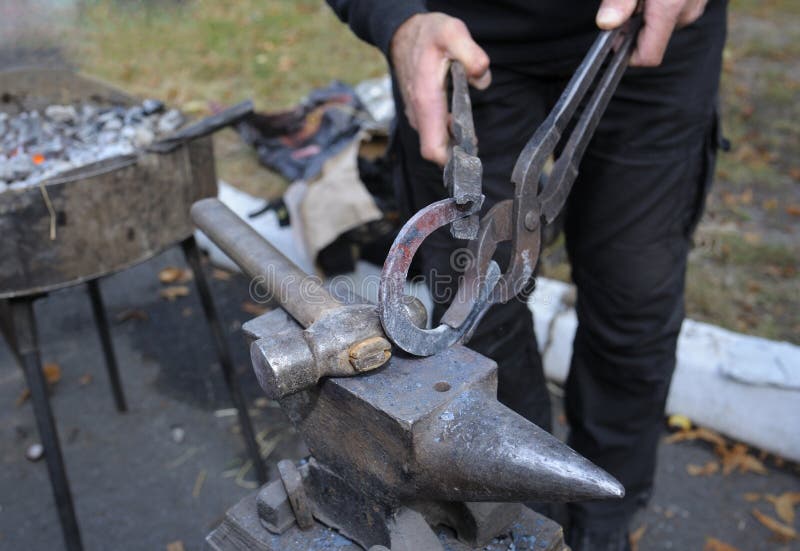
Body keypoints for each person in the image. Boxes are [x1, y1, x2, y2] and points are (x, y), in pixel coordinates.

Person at [326, 1, 727, 549]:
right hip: (463, 42)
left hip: (650, 38)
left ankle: (606, 513)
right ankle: (521, 522)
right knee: (478, 332)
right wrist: (395, 20)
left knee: (635, 302)